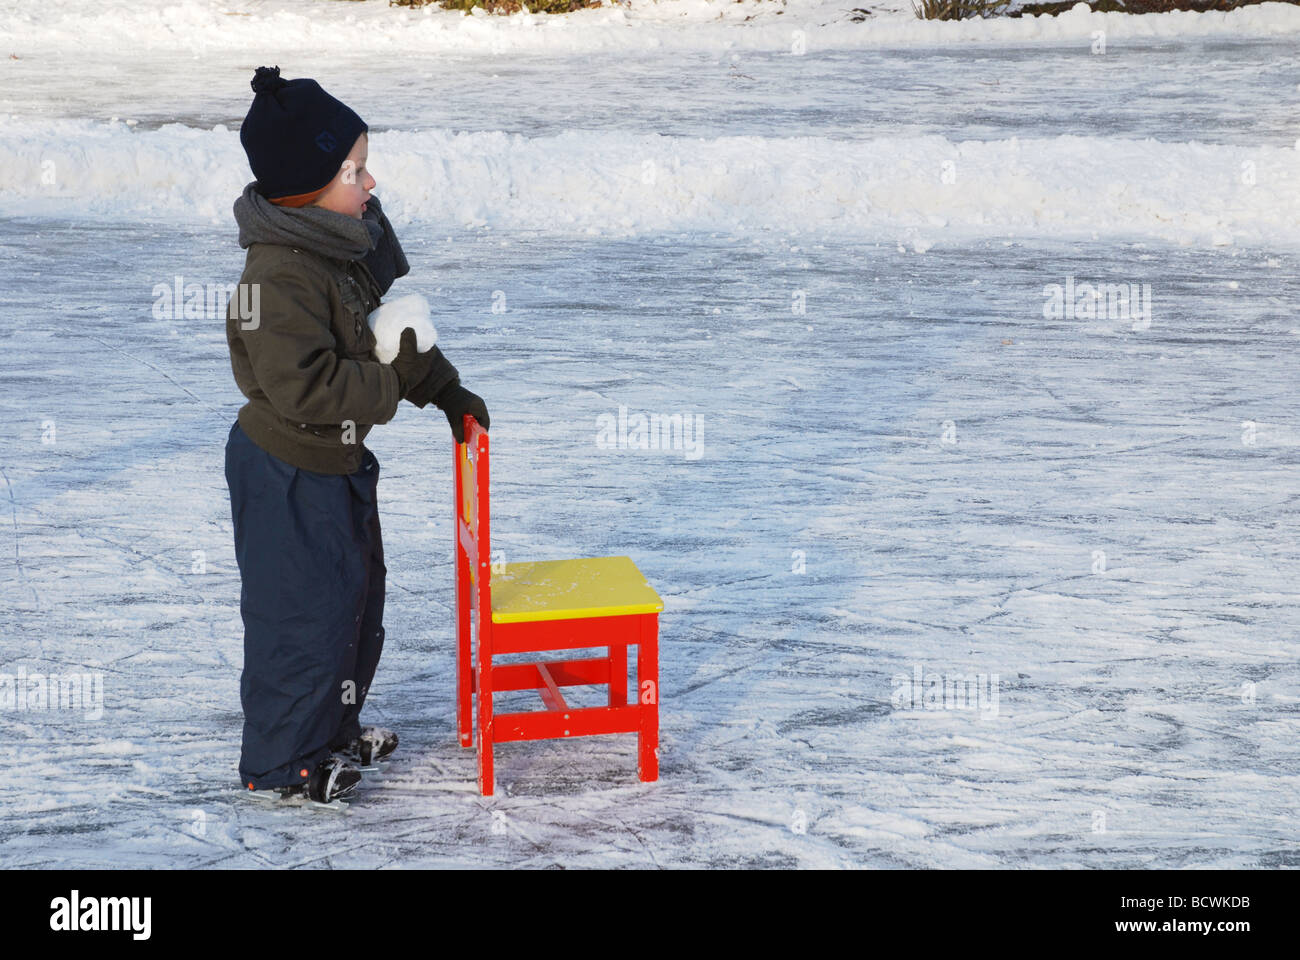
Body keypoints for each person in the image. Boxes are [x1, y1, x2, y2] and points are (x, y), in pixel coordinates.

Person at [223, 65, 489, 804]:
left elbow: (388, 333)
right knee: (298, 621)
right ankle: (282, 766)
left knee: (352, 605)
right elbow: (304, 387)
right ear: (306, 185)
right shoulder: (274, 278)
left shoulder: (336, 245)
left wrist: (441, 387)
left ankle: (331, 733)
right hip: (284, 472)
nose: (370, 184)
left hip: (335, 464)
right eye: (355, 170)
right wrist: (397, 386)